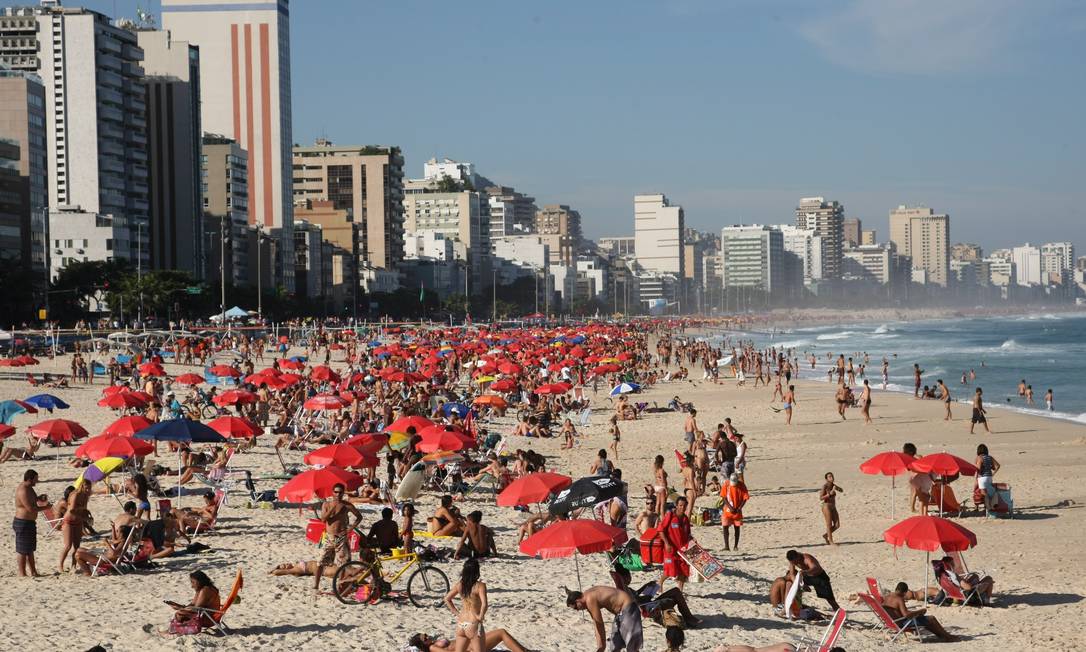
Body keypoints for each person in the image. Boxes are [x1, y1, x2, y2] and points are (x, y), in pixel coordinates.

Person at [314, 483, 363, 594]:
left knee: (343, 564)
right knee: (320, 562)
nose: (338, 494)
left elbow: (359, 517)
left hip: (341, 537)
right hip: (328, 537)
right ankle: (315, 586)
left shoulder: (347, 505)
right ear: (332, 492)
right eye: (336, 492)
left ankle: (339, 586)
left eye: (340, 492)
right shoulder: (326, 504)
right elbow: (323, 519)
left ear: (343, 493)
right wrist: (333, 508)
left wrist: (350, 529)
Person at [566, 585, 643, 652]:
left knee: (632, 647)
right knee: (615, 646)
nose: (578, 610)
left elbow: (600, 624)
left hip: (628, 609)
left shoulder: (589, 599)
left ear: (578, 601)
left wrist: (602, 646)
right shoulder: (587, 597)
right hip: (620, 614)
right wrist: (600, 646)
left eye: (576, 608)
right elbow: (596, 623)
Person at [882, 582, 956, 642]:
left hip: (893, 622)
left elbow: (898, 611)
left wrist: (917, 613)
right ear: (904, 592)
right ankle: (947, 636)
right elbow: (906, 615)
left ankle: (942, 635)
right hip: (902, 623)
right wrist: (920, 611)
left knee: (925, 620)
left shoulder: (887, 597)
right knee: (931, 618)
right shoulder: (899, 599)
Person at [443, 559, 488, 652]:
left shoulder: (460, 585)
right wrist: (481, 616)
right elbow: (484, 604)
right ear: (477, 571)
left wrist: (457, 613)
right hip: (473, 624)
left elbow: (447, 599)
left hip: (461, 623)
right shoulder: (480, 586)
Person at [13, 469, 49, 577]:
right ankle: (22, 573)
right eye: (35, 479)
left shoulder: (29, 488)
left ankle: (33, 572)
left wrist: (39, 498)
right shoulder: (23, 490)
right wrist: (46, 507)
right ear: (29, 479)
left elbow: (32, 501)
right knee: (22, 550)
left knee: (30, 549)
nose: (37, 481)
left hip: (29, 522)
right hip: (22, 522)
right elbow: (30, 508)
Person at [163, 570, 221, 635]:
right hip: (208, 615)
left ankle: (172, 632)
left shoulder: (206, 590)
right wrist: (179, 606)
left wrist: (180, 608)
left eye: (193, 582)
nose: (192, 586)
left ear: (200, 581)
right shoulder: (203, 589)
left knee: (180, 614)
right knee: (181, 613)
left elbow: (196, 608)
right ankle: (173, 631)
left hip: (209, 618)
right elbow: (192, 604)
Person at [660, 496, 692, 592]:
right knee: (670, 569)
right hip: (670, 549)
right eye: (680, 505)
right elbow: (661, 530)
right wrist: (667, 543)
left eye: (684, 505)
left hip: (682, 549)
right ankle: (660, 582)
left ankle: (680, 590)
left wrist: (692, 541)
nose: (682, 507)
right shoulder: (670, 516)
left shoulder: (686, 519)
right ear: (677, 506)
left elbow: (688, 534)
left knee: (683, 570)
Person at [59, 479, 92, 573]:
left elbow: (84, 510)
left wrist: (88, 516)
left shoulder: (86, 496)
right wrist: (83, 518)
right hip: (68, 521)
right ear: (82, 486)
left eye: (89, 488)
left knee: (77, 546)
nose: (88, 490)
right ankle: (60, 566)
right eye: (86, 488)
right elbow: (72, 510)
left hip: (78, 522)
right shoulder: (75, 495)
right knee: (68, 545)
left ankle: (73, 565)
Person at [407, 629, 527, 652]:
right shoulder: (432, 648)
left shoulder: (433, 643)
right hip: (473, 648)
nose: (427, 637)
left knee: (501, 633)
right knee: (501, 633)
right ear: (422, 644)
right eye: (424, 638)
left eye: (425, 635)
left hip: (473, 643)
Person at [721, 473, 748, 551]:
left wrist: (740, 507)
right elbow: (724, 497)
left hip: (737, 511)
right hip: (727, 511)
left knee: (737, 527)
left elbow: (745, 497)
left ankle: (735, 546)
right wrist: (730, 507)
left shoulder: (742, 485)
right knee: (725, 527)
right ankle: (727, 546)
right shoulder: (726, 484)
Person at [975, 444, 1001, 518]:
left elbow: (978, 469)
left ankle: (988, 511)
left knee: (984, 494)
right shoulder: (990, 457)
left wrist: (977, 475)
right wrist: (993, 473)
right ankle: (988, 508)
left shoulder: (979, 458)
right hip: (989, 477)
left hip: (982, 478)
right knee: (989, 493)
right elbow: (998, 466)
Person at [819, 473, 843, 546]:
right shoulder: (825, 486)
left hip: (833, 506)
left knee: (837, 525)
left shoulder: (833, 485)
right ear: (826, 479)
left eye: (832, 476)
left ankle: (826, 535)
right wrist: (829, 494)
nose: (831, 477)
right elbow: (821, 498)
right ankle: (831, 541)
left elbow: (842, 490)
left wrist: (837, 488)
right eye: (829, 477)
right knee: (829, 524)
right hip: (826, 506)